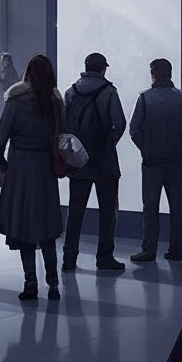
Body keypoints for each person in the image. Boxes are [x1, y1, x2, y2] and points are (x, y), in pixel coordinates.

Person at [0, 54, 64, 301]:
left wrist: (3, 166)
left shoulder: (16, 99)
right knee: (46, 231)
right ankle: (53, 285)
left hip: (21, 169)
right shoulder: (55, 101)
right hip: (45, 170)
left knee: (24, 231)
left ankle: (30, 283)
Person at [62, 52, 127, 271]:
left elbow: (63, 125)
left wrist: (75, 151)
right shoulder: (108, 92)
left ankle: (69, 258)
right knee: (108, 212)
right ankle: (104, 257)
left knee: (75, 211)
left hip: (78, 162)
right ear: (103, 69)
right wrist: (108, 144)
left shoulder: (71, 91)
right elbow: (120, 123)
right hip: (105, 162)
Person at [129, 58, 182, 261]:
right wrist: (181, 148)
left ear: (153, 74)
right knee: (177, 208)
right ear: (170, 73)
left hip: (151, 162)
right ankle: (175, 250)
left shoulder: (144, 98)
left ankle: (149, 249)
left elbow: (134, 130)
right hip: (176, 161)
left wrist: (146, 148)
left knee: (150, 208)